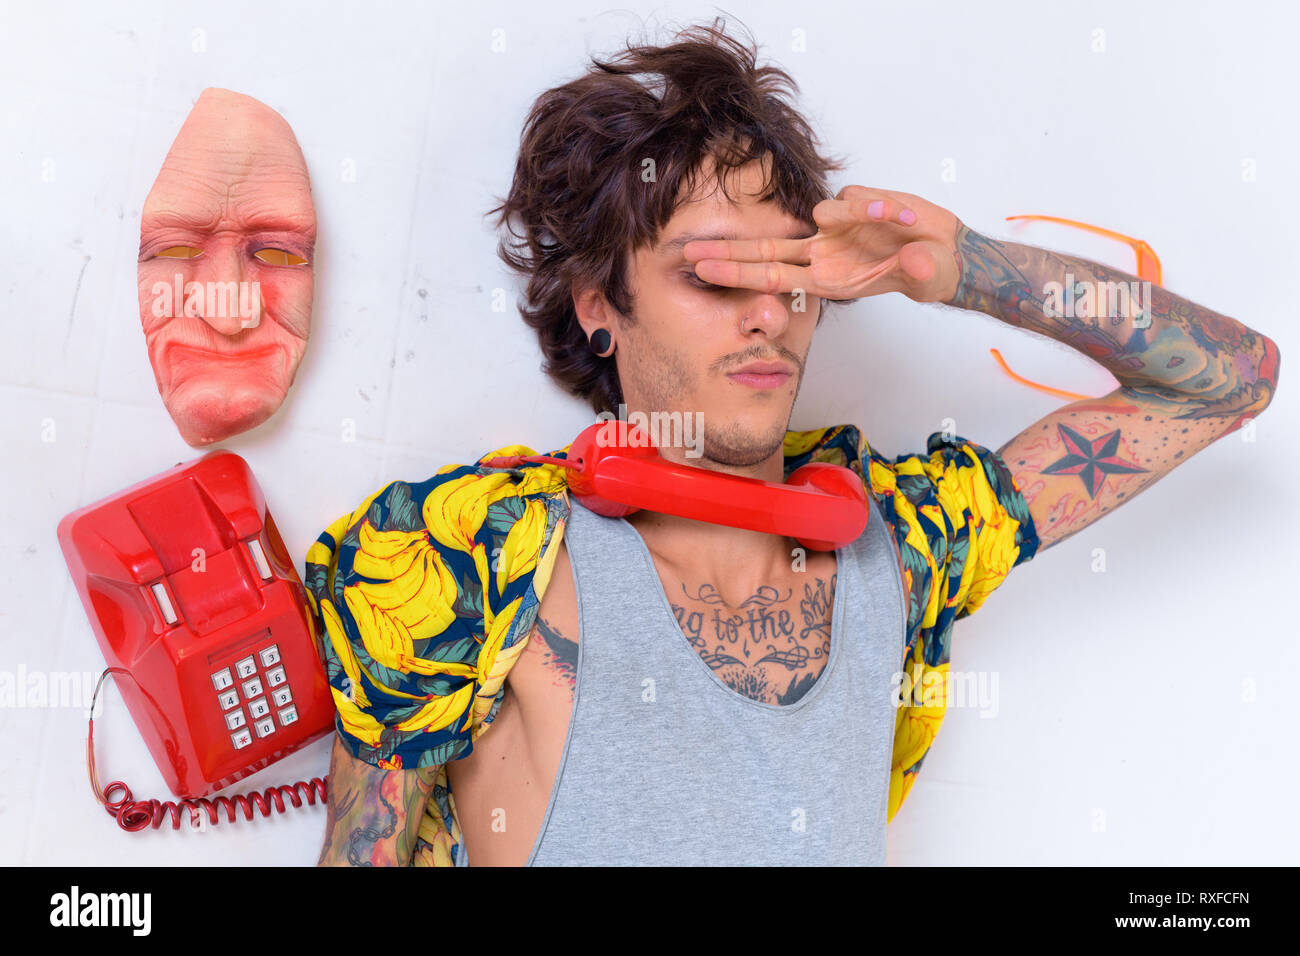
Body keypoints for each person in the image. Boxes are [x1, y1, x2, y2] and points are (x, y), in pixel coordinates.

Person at [310, 19, 1279, 866]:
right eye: (714, 276)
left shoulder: (904, 542)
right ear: (600, 304)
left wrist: (967, 270)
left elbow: (1229, 381)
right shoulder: (464, 557)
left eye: (791, 275)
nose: (769, 314)